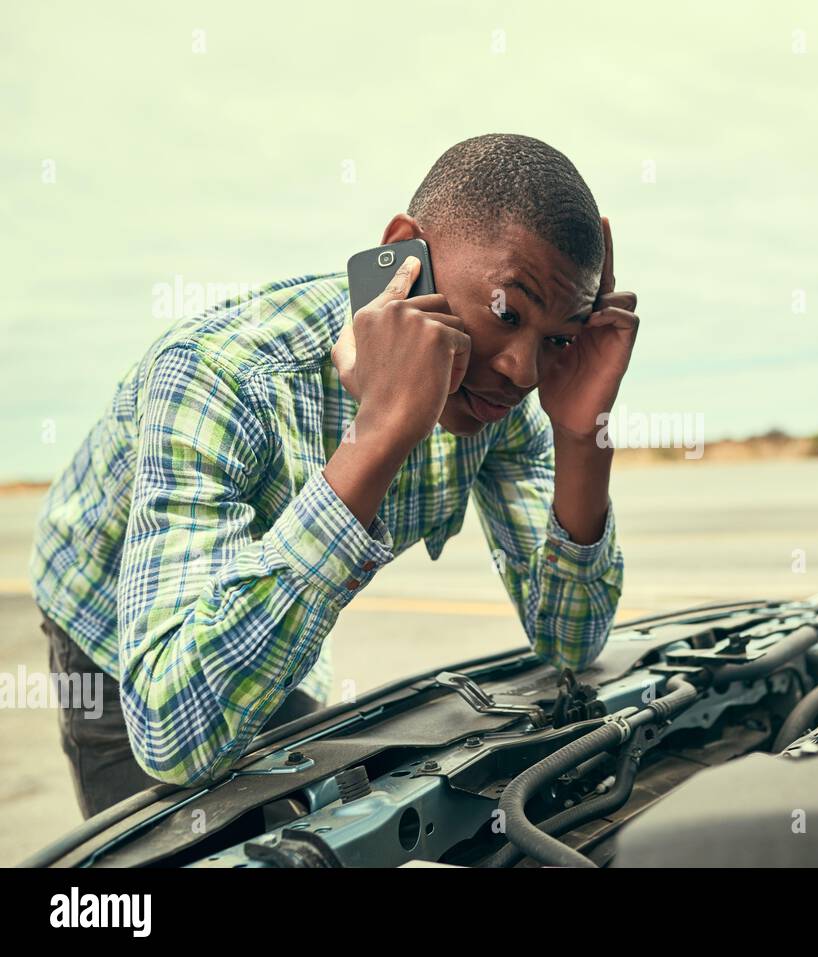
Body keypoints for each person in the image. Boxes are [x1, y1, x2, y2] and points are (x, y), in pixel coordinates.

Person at [29, 133, 638, 817]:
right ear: (405, 253)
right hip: (114, 626)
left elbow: (571, 641)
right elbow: (174, 734)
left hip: (265, 605)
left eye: (556, 338)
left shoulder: (497, 400)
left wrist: (584, 436)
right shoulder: (219, 375)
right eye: (506, 312)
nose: (524, 370)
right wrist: (380, 432)